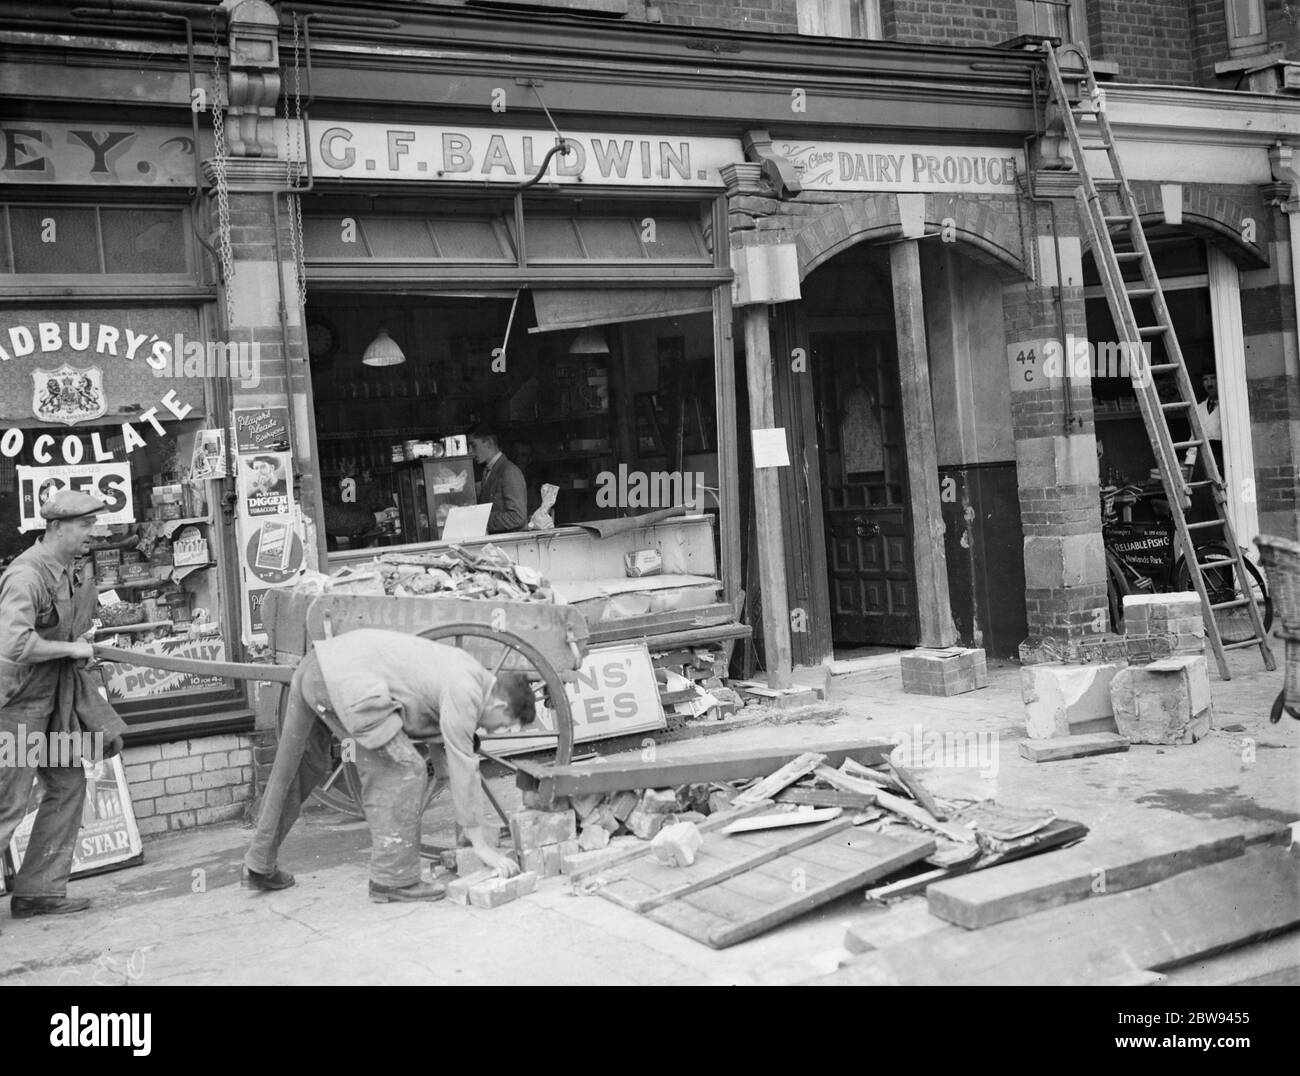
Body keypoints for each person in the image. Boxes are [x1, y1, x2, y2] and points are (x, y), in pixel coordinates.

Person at [243, 630, 536, 902]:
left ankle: (259, 862)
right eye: (506, 726)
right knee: (403, 770)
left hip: (319, 666)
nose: (499, 731)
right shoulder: (466, 692)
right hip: (345, 681)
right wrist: (482, 846)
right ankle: (393, 879)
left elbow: (438, 732)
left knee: (298, 767)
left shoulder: (469, 671)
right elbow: (464, 765)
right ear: (499, 707)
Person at [0, 490, 127, 926]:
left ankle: (38, 891)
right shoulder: (26, 575)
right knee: (8, 804)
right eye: (85, 526)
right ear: (56, 527)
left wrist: (78, 647)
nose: (92, 534)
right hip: (18, 710)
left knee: (68, 785)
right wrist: (70, 647)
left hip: (52, 704)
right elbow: (15, 643)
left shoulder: (65, 572)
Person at [467, 425, 527, 534]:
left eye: (473, 445)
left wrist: (480, 520)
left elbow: (517, 517)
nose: (470, 452)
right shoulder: (488, 471)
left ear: (489, 443)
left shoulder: (509, 471)